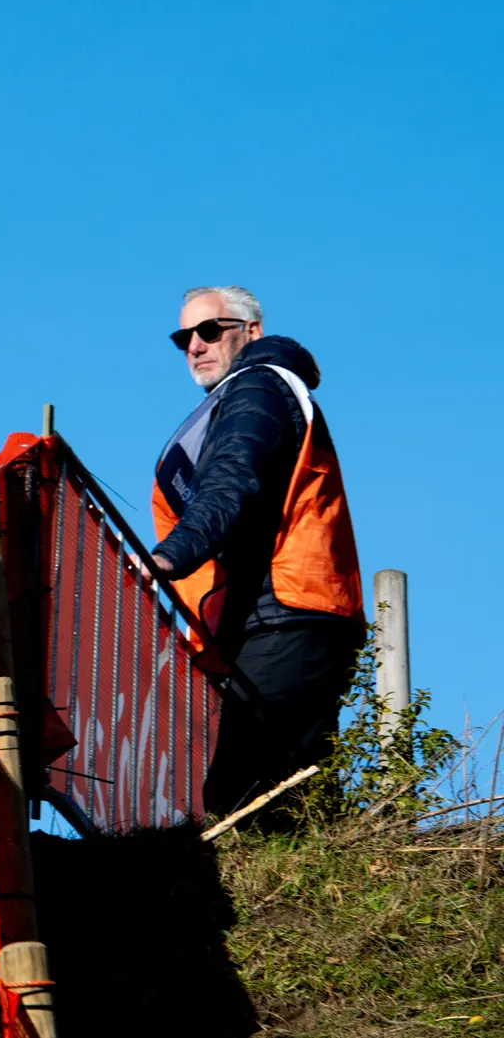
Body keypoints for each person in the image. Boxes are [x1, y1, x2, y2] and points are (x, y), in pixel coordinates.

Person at [150, 285, 365, 817]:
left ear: (251, 332)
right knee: (293, 795)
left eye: (209, 330)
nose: (194, 346)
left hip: (290, 612)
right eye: (183, 337)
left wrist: (168, 558)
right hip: (276, 616)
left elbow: (231, 484)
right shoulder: (241, 397)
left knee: (242, 797)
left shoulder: (258, 390)